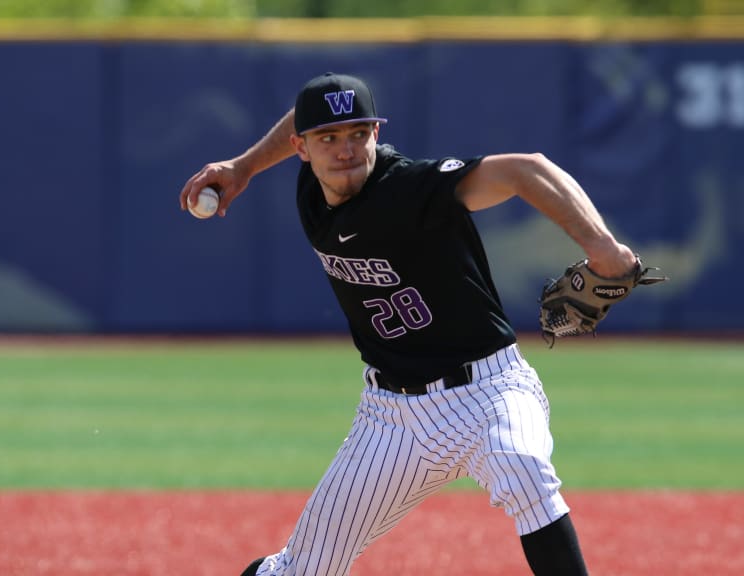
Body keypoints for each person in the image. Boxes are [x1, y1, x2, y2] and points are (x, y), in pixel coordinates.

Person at [180, 72, 639, 576]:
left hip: (490, 392)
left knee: (525, 471)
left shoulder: (411, 188)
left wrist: (604, 250)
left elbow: (527, 170)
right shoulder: (312, 188)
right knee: (302, 569)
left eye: (359, 133)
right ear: (300, 148)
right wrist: (243, 167)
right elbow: (306, 114)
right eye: (328, 139)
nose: (345, 149)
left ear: (377, 133)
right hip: (391, 417)